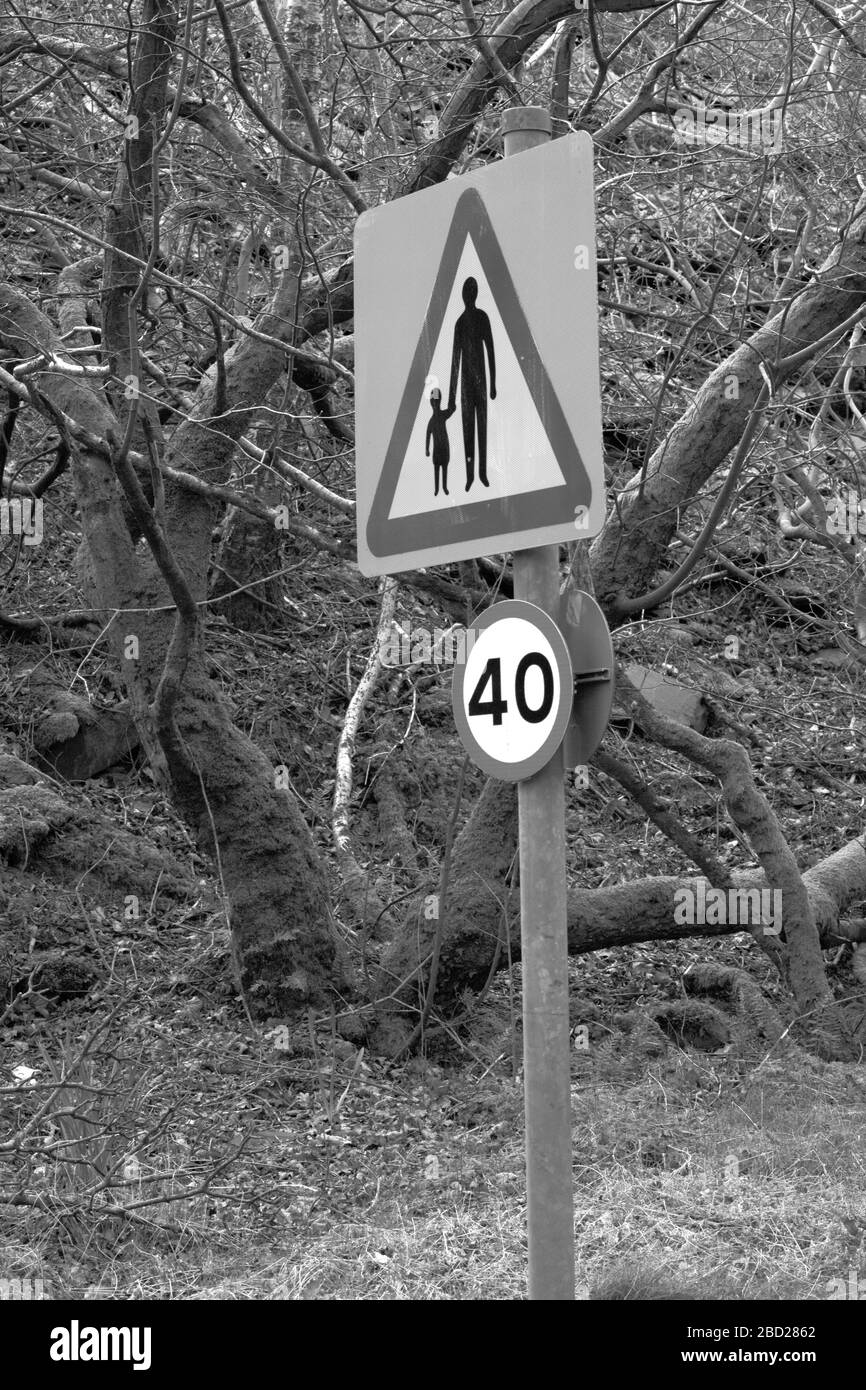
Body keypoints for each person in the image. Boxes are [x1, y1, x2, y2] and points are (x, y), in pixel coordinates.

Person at [447, 276, 496, 491]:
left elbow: (491, 351)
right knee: (468, 429)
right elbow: (454, 361)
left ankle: (482, 473)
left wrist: (494, 384)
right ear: (463, 296)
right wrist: (451, 396)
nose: (469, 295)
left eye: (472, 291)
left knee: (482, 428)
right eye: (466, 292)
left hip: (482, 383)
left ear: (475, 294)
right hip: (466, 385)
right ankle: (469, 477)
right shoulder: (459, 322)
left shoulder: (483, 317)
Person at [425, 388, 454, 496]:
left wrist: (452, 405)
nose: (435, 404)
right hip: (436, 450)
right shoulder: (431, 421)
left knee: (445, 468)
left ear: (440, 401)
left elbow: (451, 410)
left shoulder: (443, 415)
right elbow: (428, 435)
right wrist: (427, 449)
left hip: (444, 448)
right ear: (431, 404)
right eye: (433, 402)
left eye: (437, 401)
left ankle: (444, 487)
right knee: (437, 469)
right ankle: (437, 488)